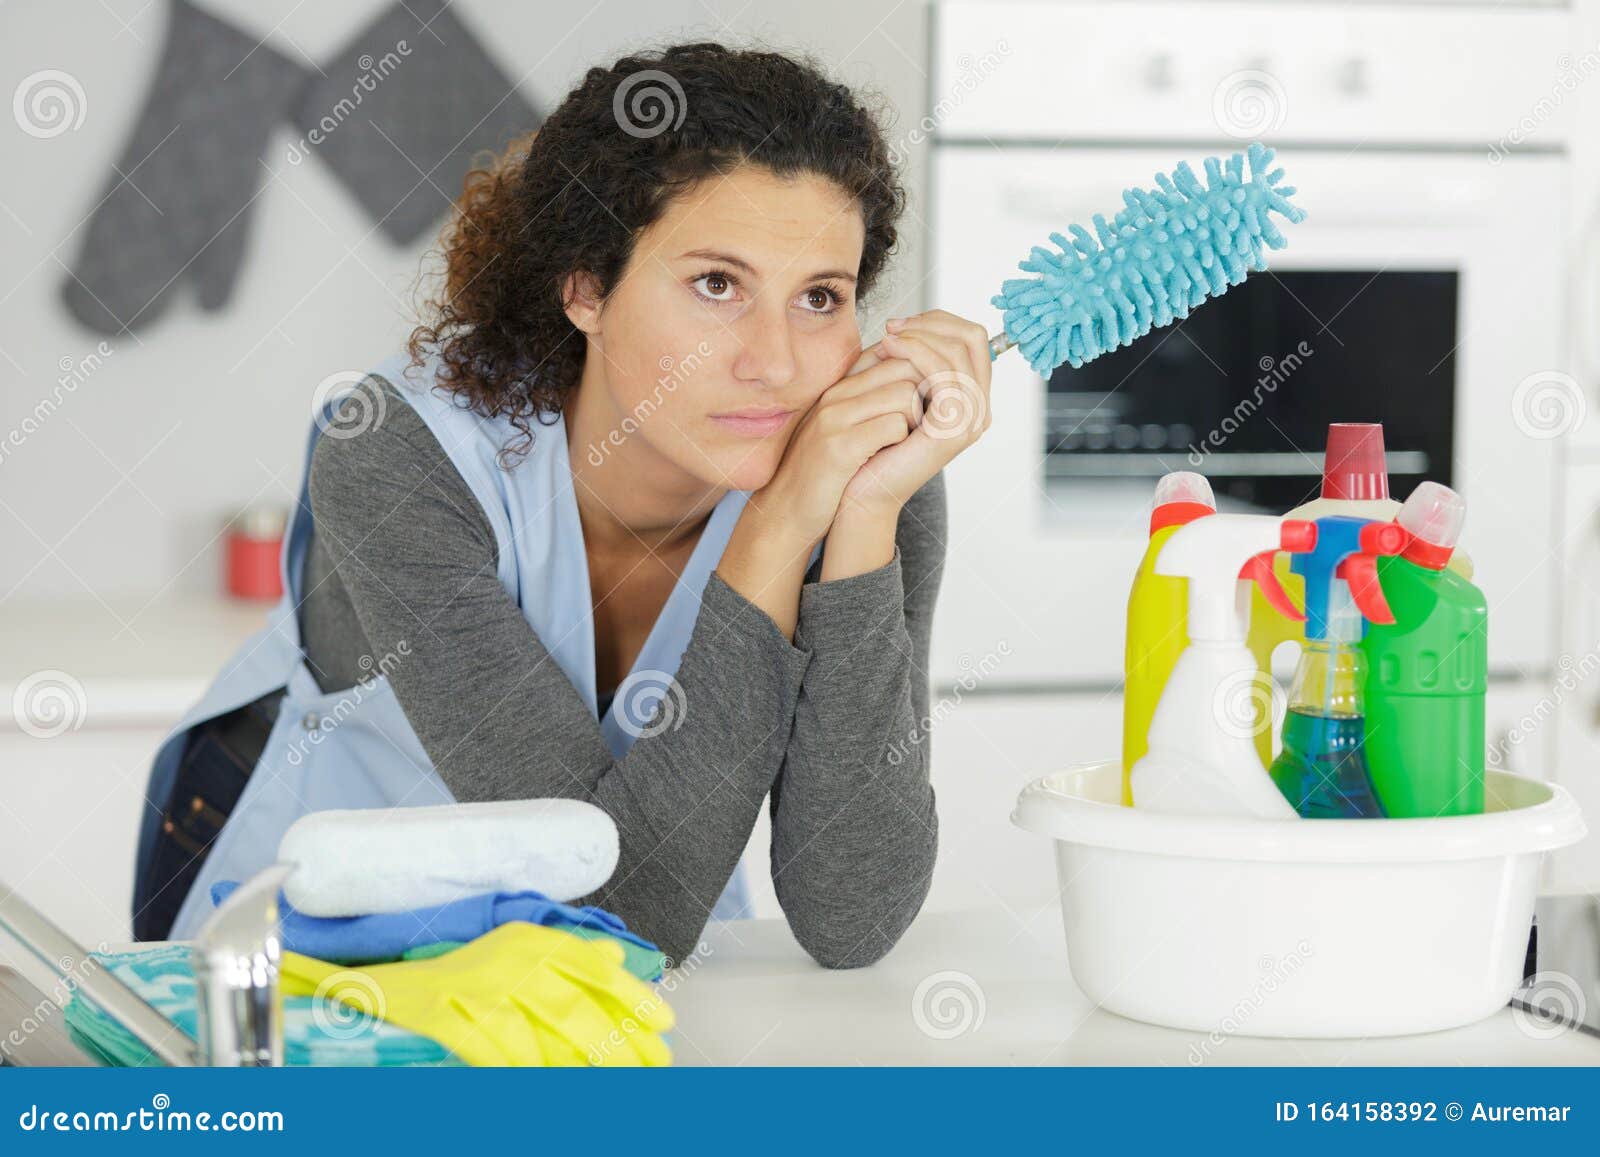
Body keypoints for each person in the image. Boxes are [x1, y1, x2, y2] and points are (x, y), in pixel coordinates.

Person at [133, 41, 994, 967]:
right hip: (327, 910)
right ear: (585, 286)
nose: (777, 363)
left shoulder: (869, 478)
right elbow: (610, 909)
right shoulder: (395, 451)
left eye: (820, 296)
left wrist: (860, 519)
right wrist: (780, 528)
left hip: (658, 885)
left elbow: (851, 913)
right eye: (716, 284)